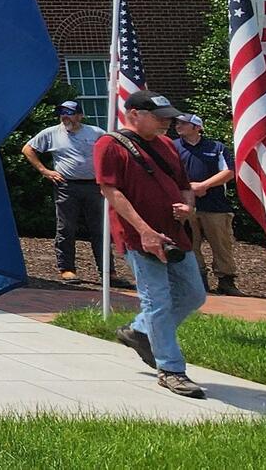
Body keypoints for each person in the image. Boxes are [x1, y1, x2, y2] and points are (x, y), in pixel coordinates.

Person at [96, 91, 207, 399]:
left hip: (174, 235)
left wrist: (188, 208)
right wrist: (144, 231)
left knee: (193, 295)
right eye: (159, 118)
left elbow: (185, 187)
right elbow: (111, 192)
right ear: (133, 114)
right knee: (156, 300)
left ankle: (141, 331)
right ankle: (171, 369)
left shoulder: (168, 146)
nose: (166, 124)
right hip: (139, 237)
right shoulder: (110, 144)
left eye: (169, 118)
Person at [21, 99, 109, 283]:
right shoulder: (51, 133)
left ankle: (108, 271)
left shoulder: (96, 133)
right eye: (62, 113)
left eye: (69, 113)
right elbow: (28, 149)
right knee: (66, 228)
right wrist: (45, 171)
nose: (65, 117)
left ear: (80, 115)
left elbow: (111, 151)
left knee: (100, 228)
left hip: (94, 186)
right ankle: (67, 269)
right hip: (66, 186)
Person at [175, 113, 238, 295]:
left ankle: (226, 281)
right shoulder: (172, 147)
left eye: (184, 123)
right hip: (185, 205)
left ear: (197, 127)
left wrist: (204, 185)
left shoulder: (216, 147)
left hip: (215, 205)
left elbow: (229, 172)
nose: (178, 126)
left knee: (221, 244)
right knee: (189, 244)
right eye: (177, 123)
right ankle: (199, 281)